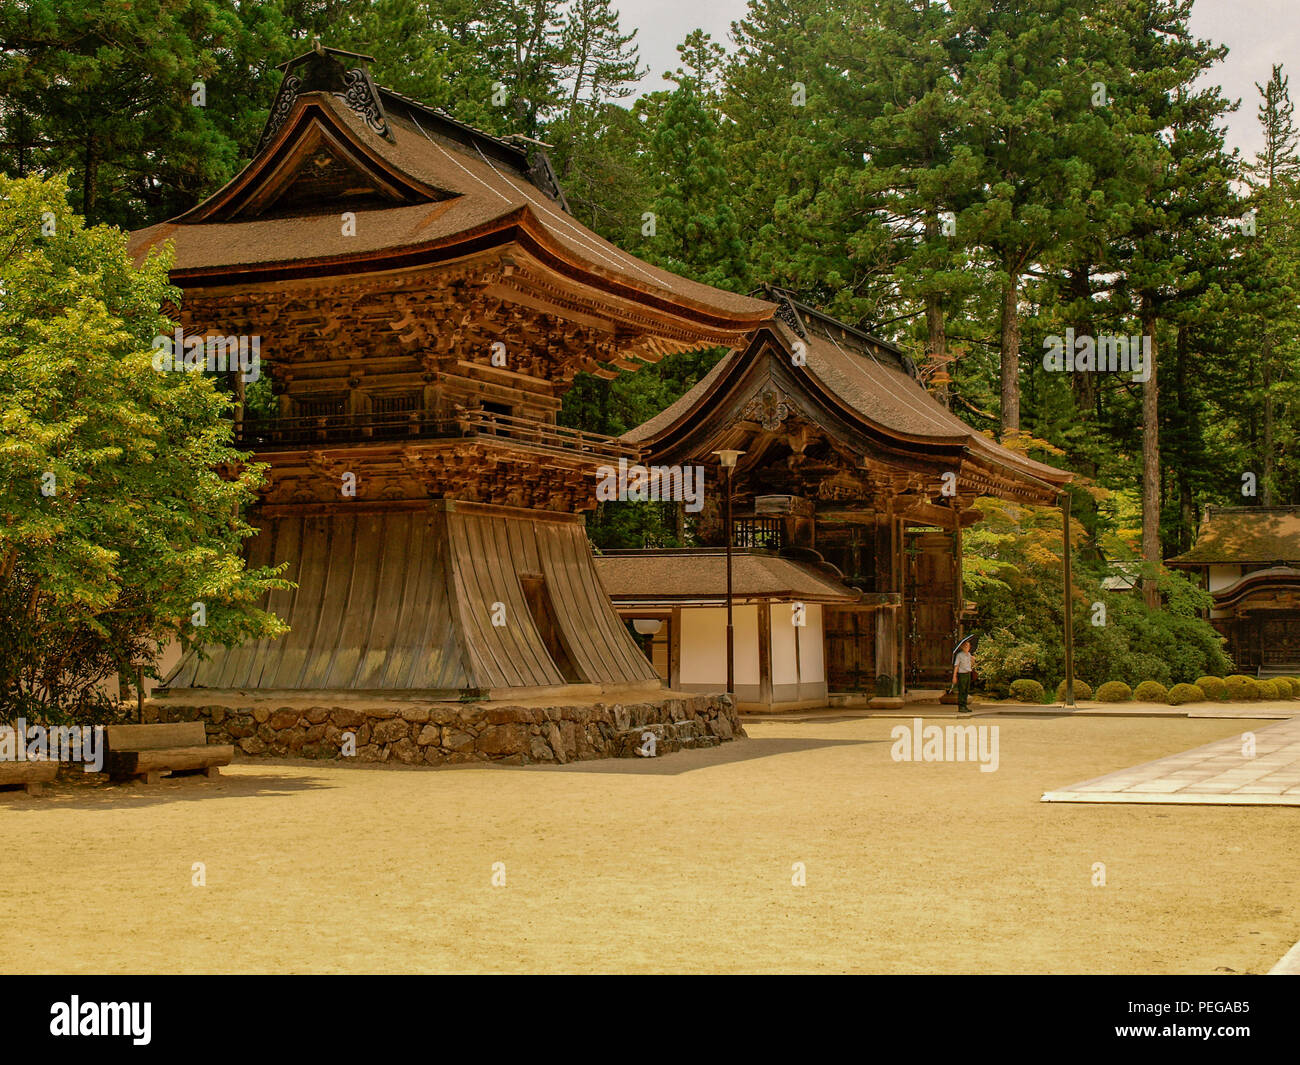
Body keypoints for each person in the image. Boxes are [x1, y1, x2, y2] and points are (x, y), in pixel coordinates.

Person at [952, 642, 975, 714]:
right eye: (965, 646)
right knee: (962, 690)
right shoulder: (959, 655)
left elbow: (971, 665)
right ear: (962, 647)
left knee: (966, 691)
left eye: (968, 646)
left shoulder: (969, 655)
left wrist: (973, 660)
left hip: (968, 673)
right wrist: (954, 676)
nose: (966, 647)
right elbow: (956, 666)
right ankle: (961, 706)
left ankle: (965, 705)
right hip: (962, 674)